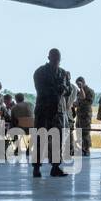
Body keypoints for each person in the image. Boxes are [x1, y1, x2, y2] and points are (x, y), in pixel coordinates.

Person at [31, 48, 72, 178]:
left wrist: (63, 88)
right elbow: (42, 90)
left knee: (57, 140)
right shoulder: (40, 72)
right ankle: (36, 168)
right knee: (40, 139)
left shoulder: (63, 73)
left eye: (58, 59)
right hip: (43, 110)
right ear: (48, 58)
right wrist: (59, 89)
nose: (56, 61)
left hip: (58, 112)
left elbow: (69, 90)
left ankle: (55, 167)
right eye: (54, 58)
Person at [72, 77, 95, 157]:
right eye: (77, 84)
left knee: (85, 132)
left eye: (79, 84)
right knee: (78, 131)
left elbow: (89, 102)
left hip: (86, 115)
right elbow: (78, 101)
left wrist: (79, 103)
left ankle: (87, 149)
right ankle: (82, 148)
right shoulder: (79, 92)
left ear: (83, 82)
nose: (78, 86)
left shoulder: (90, 91)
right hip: (79, 114)